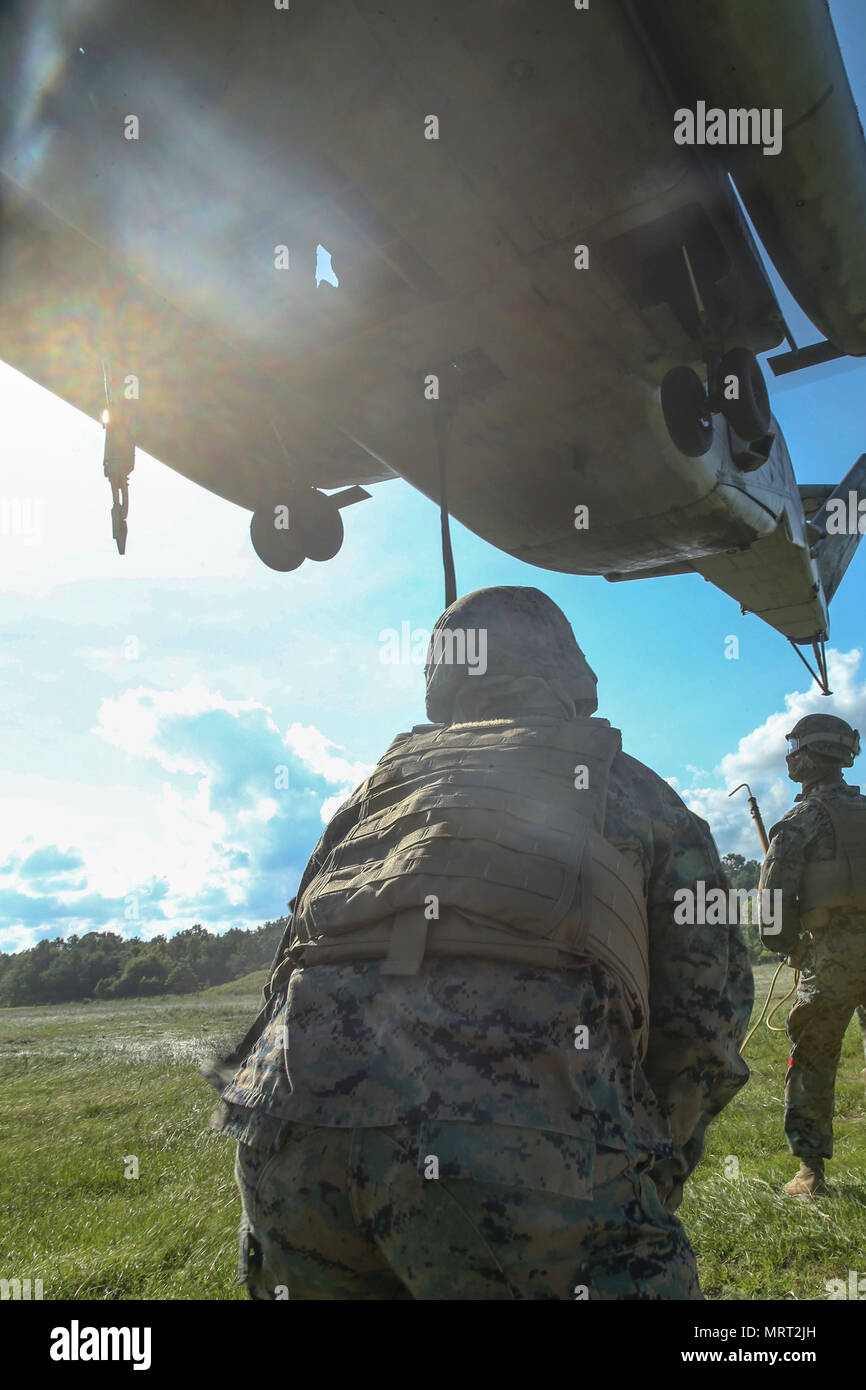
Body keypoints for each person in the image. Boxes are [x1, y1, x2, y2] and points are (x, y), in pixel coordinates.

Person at [208, 586, 752, 1299]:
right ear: (571, 673)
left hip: (285, 1148)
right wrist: (642, 1166)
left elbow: (287, 974)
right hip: (524, 1165)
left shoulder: (372, 797)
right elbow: (705, 1021)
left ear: (442, 682)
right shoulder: (634, 793)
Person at [758, 713, 866, 1196]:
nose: (789, 757)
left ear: (811, 756)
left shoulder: (797, 824)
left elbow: (772, 908)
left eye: (795, 748)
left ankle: (810, 1174)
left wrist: (792, 949)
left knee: (814, 1061)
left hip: (832, 961)